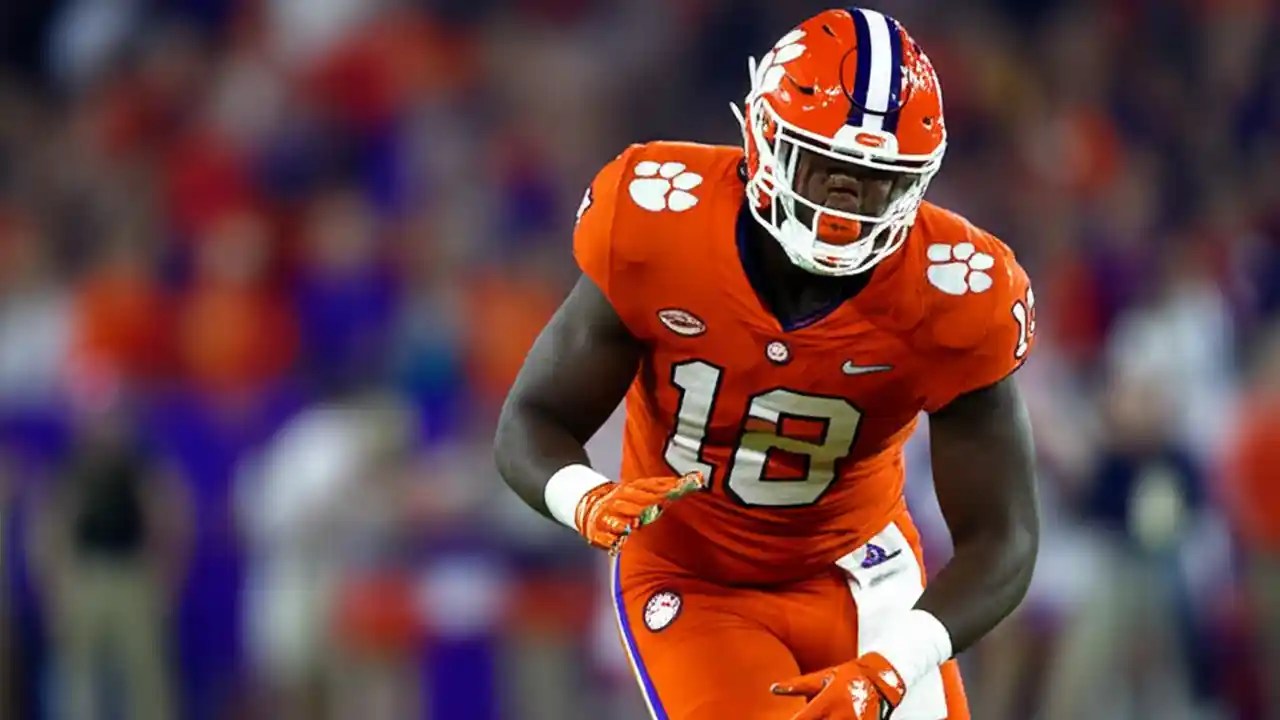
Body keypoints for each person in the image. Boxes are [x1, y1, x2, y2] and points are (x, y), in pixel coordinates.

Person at [494, 8, 1039, 719]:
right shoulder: (660, 223)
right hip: (695, 582)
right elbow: (532, 419)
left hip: (862, 572)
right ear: (762, 137)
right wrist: (582, 496)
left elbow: (1005, 536)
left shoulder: (958, 292)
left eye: (874, 179)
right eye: (826, 166)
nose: (844, 203)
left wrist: (895, 663)